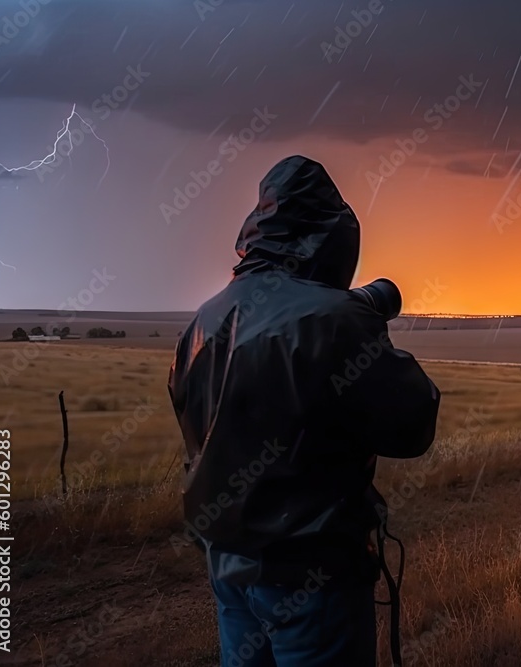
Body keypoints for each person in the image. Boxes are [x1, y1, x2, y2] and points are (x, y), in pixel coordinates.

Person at [167, 155, 441, 666]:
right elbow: (413, 425)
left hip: (226, 559)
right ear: (333, 238)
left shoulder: (202, 321)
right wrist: (365, 330)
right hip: (312, 573)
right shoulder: (334, 321)